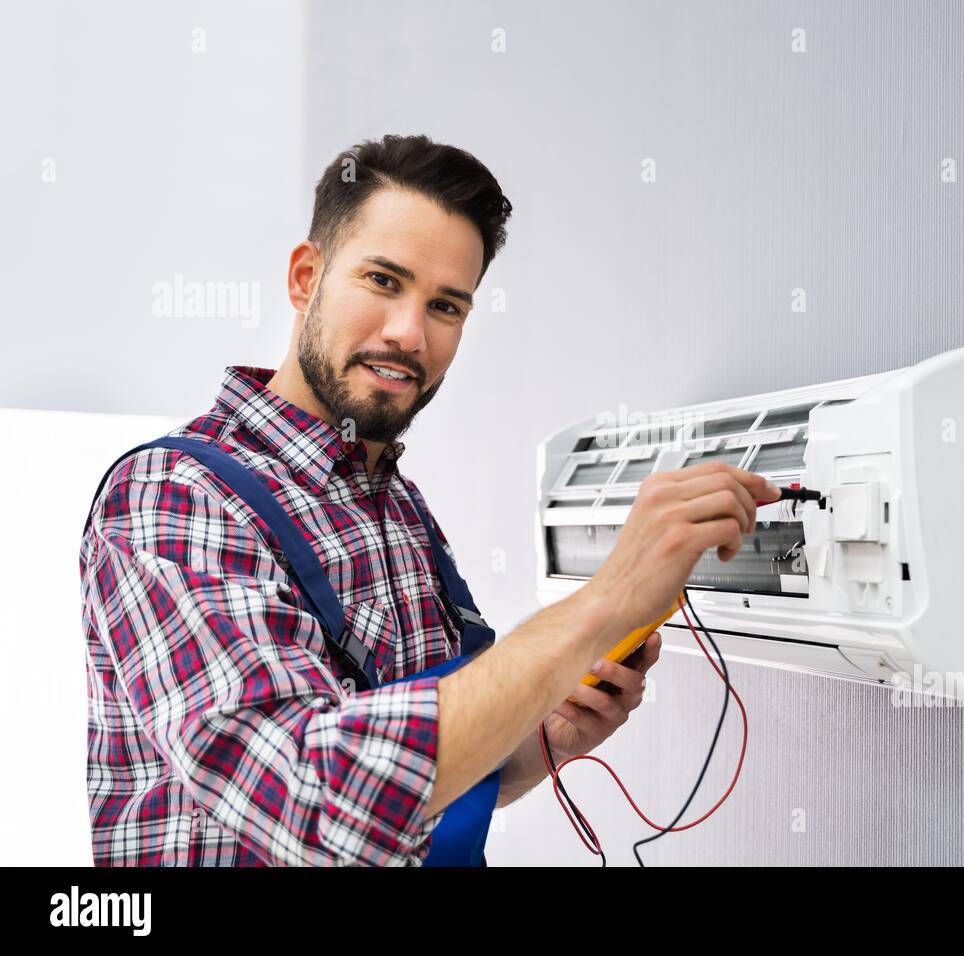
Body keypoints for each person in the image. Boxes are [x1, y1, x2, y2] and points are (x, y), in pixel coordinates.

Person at [79, 133, 777, 866]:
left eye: (445, 306)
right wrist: (601, 603)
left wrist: (542, 740)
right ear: (305, 276)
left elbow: (416, 792)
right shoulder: (175, 497)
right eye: (383, 281)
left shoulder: (398, 508)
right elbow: (306, 804)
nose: (409, 333)